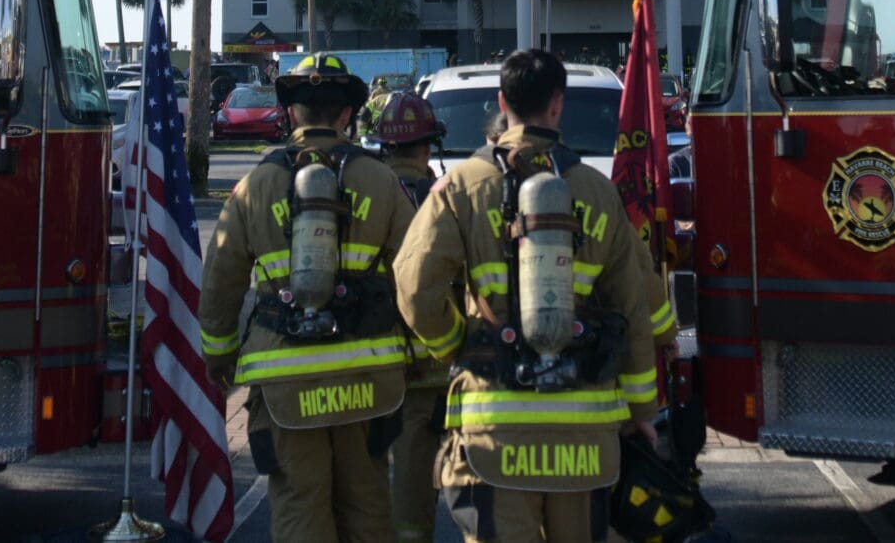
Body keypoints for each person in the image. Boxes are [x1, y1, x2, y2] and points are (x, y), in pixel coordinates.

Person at [392, 49, 658, 543]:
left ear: (501, 101)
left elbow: (413, 286)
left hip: (495, 432)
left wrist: (459, 347)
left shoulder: (462, 187)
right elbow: (634, 309)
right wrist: (641, 413)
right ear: (558, 105)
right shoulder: (599, 193)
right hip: (585, 434)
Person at [199, 53, 415, 543]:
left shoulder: (255, 185)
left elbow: (221, 279)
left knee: (300, 507)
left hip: (285, 386)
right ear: (346, 114)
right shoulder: (382, 181)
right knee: (367, 509)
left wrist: (218, 355)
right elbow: (416, 276)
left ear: (292, 112)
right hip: (368, 380)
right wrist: (420, 357)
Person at [368, 92, 453, 543]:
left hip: (390, 366)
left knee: (405, 481)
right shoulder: (445, 198)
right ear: (427, 147)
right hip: (447, 362)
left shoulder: (372, 196)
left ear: (387, 146)